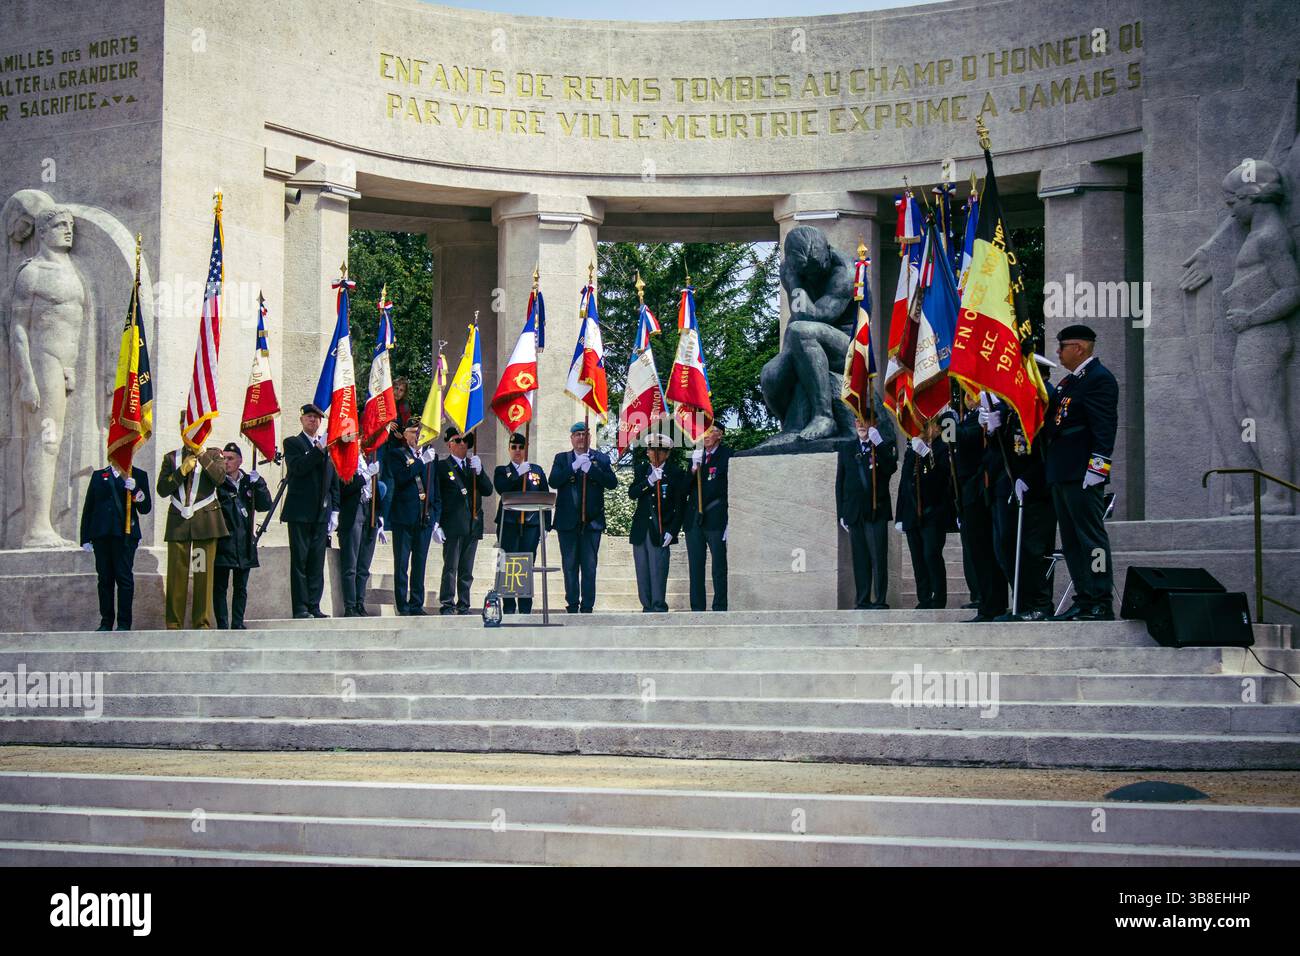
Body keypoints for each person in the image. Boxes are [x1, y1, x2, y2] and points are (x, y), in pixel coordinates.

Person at [1041, 324, 1119, 621]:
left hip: (1083, 472)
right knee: (1072, 540)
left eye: (1062, 347)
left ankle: (1100, 599)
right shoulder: (1067, 384)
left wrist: (1098, 468)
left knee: (1091, 538)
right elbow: (1053, 424)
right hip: (1062, 471)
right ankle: (1084, 597)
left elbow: (1104, 427)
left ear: (1080, 348)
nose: (1058, 353)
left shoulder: (1099, 379)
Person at [984, 394, 1057, 622]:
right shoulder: (1012, 410)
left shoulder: (1037, 405)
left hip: (1036, 490)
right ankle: (1023, 602)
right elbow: (1004, 450)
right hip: (1016, 490)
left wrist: (1030, 478)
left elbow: (1046, 449)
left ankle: (1040, 605)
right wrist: (992, 430)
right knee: (1009, 547)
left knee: (1032, 550)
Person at [157, 435, 229, 629]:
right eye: (185, 427)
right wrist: (181, 471)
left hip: (203, 526)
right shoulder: (171, 458)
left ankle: (201, 623)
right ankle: (173, 623)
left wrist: (202, 455)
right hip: (179, 524)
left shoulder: (214, 455)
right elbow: (162, 489)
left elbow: (219, 478)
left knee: (202, 573)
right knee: (176, 575)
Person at [548, 421, 618, 614]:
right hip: (568, 523)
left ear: (590, 437)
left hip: (592, 523)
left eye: (584, 434)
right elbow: (553, 481)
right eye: (577, 434)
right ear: (571, 438)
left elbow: (612, 483)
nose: (581, 437)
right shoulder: (562, 458)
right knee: (569, 566)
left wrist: (592, 470)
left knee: (589, 567)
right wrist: (573, 467)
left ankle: (587, 606)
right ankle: (572, 605)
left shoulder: (601, 459)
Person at [282, 403, 343, 619]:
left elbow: (333, 479)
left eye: (317, 418)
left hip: (321, 513)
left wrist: (335, 509)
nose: (313, 421)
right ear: (301, 419)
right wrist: (318, 450)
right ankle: (300, 608)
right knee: (300, 561)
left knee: (316, 561)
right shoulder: (294, 443)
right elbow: (298, 468)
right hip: (300, 512)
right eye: (309, 417)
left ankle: (314, 606)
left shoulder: (326, 445)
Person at [836, 405, 898, 610]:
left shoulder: (884, 445)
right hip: (854, 512)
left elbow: (890, 468)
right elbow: (841, 483)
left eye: (866, 420)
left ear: (874, 424)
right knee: (860, 558)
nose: (861, 424)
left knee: (878, 557)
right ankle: (862, 599)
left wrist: (878, 443)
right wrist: (841, 514)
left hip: (875, 510)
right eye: (858, 421)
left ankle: (880, 599)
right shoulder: (846, 449)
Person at [78, 460, 152, 631]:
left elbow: (145, 508)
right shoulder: (99, 475)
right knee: (104, 579)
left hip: (125, 535)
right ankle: (106, 622)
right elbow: (89, 507)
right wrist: (85, 537)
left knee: (124, 578)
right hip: (101, 534)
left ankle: (124, 623)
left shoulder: (138, 475)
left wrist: (136, 490)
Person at [954, 392, 1008, 622]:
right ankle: (986, 604)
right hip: (968, 490)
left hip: (982, 485)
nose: (968, 395)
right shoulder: (971, 417)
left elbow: (966, 441)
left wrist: (951, 425)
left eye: (972, 389)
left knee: (987, 550)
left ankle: (992, 604)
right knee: (977, 551)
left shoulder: (988, 414)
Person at [895, 415, 957, 609]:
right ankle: (924, 598)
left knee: (931, 554)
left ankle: (938, 598)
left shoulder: (940, 447)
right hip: (912, 513)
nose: (920, 431)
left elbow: (942, 478)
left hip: (934, 512)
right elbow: (904, 484)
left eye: (924, 427)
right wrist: (900, 515)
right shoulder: (912, 450)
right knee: (917, 558)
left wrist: (926, 455)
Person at [383, 417, 441, 615]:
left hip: (424, 517)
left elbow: (435, 489)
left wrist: (436, 517)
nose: (416, 435)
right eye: (412, 431)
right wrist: (419, 462)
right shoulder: (397, 454)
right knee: (401, 564)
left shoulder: (431, 456)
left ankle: (417, 603)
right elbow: (401, 478)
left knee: (420, 562)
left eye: (419, 431)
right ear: (405, 435)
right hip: (404, 517)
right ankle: (402, 604)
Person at [213, 443, 272, 629]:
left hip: (244, 541)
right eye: (224, 458)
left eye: (230, 458)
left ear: (240, 461)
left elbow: (265, 505)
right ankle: (222, 624)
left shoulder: (248, 482)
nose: (226, 462)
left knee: (241, 588)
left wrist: (259, 484)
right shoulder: (218, 482)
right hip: (224, 541)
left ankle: (237, 623)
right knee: (220, 587)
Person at [435, 426, 493, 615]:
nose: (462, 444)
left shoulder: (472, 465)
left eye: (464, 441)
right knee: (450, 568)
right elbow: (438, 496)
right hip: (452, 525)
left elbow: (487, 490)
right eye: (457, 440)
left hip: (472, 524)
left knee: (466, 570)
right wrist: (437, 523)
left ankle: (464, 604)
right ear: (449, 444)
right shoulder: (443, 467)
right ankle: (447, 603)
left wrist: (480, 471)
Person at [492, 431, 550, 614]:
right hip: (509, 524)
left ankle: (525, 608)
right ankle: (509, 607)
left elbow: (546, 497)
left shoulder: (537, 470)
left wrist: (546, 525)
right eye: (514, 447)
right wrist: (518, 475)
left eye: (521, 447)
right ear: (509, 449)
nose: (518, 450)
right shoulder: (502, 471)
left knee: (527, 565)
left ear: (526, 449)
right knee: (508, 564)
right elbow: (502, 489)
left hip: (531, 524)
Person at [628, 432, 685, 613]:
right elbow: (633, 493)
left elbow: (680, 506)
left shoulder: (675, 473)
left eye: (660, 450)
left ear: (667, 453)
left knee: (658, 570)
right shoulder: (642, 470)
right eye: (652, 450)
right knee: (643, 570)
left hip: (660, 528)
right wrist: (649, 481)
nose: (655, 454)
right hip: (641, 529)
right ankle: (646, 605)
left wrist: (673, 531)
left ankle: (659, 606)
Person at [681, 421, 731, 612]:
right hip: (694, 519)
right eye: (704, 432)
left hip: (717, 518)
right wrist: (693, 469)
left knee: (719, 565)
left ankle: (720, 606)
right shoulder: (696, 456)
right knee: (696, 567)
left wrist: (729, 520)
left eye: (711, 431)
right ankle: (697, 608)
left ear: (720, 435)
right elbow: (683, 490)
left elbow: (728, 489)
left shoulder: (728, 455)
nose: (706, 435)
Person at [338, 448, 386, 617]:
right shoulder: (343, 459)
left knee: (364, 565)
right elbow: (344, 489)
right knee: (351, 564)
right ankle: (350, 605)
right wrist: (366, 475)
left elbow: (375, 489)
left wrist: (379, 515)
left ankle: (360, 602)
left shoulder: (366, 460)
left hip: (369, 511)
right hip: (353, 511)